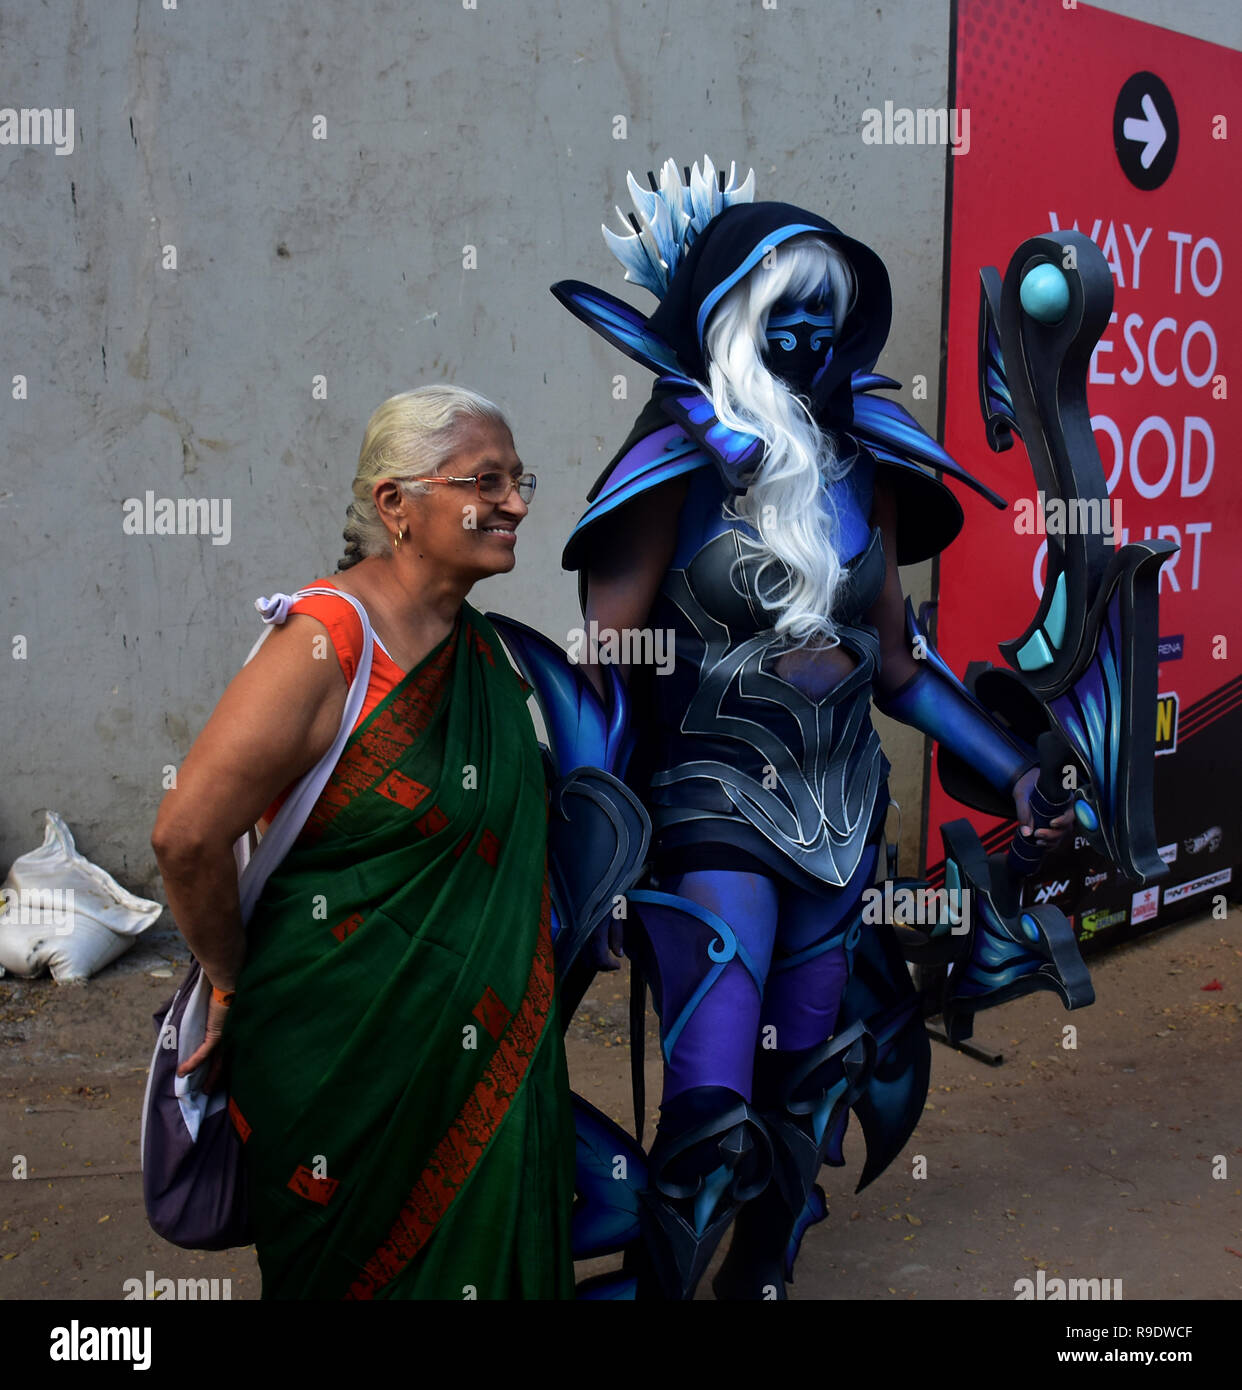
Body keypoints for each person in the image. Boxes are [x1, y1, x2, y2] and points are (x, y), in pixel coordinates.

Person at [552, 161, 1073, 1298]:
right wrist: (587, 856)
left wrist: (1019, 775)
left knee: (811, 1075)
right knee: (714, 1097)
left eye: (822, 318)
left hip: (840, 813)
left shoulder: (864, 472)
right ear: (729, 321)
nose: (804, 337)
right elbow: (599, 666)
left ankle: (763, 1276)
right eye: (780, 314)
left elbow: (897, 666)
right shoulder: (669, 472)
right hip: (711, 807)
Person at [150, 385, 575, 1299]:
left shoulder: (485, 654)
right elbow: (186, 835)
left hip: (488, 1049)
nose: (516, 503)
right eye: (485, 481)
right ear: (396, 505)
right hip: (341, 1048)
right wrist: (226, 978)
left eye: (519, 479)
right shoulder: (328, 640)